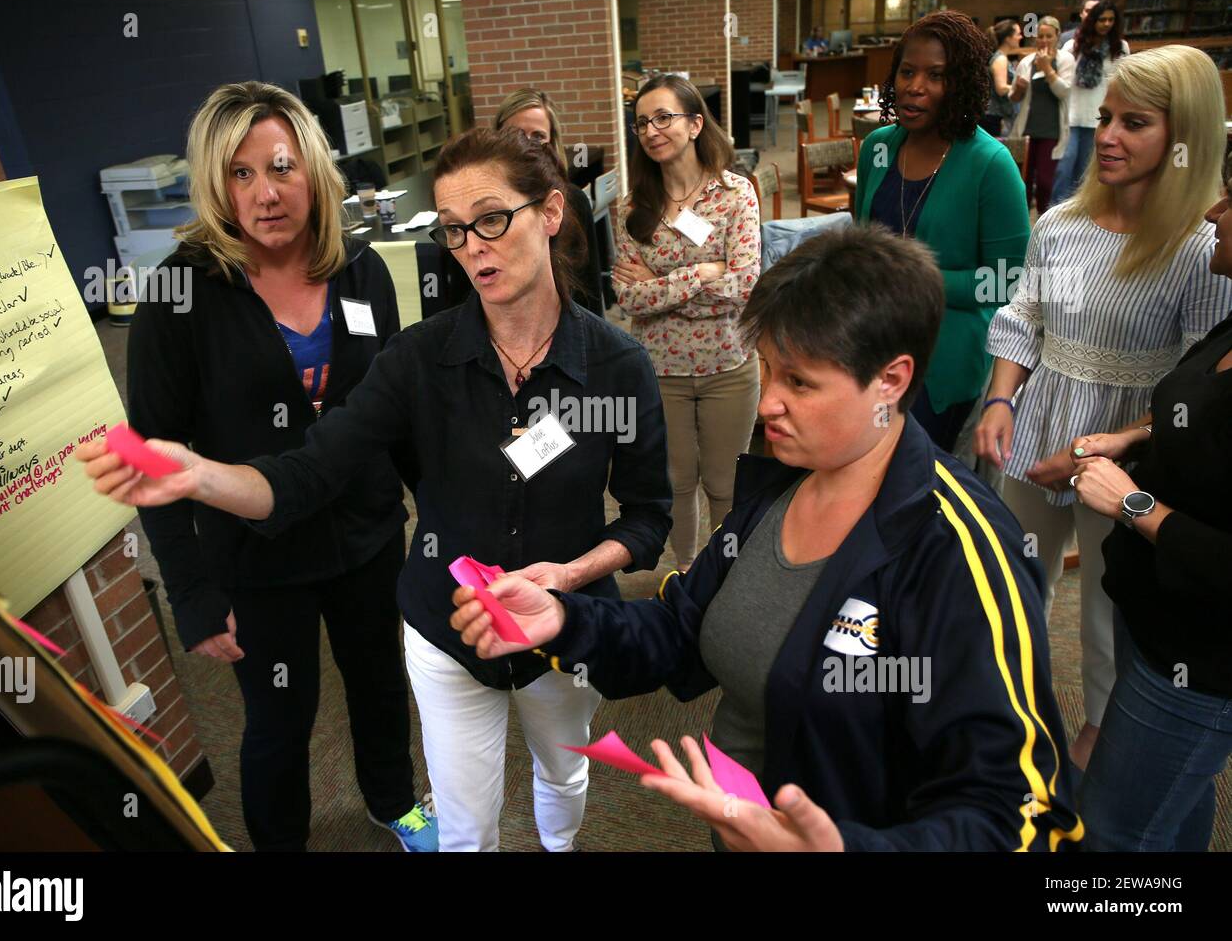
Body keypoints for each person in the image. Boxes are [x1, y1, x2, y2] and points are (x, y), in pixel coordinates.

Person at [77, 127, 673, 853]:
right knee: (465, 829)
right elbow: (307, 474)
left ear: (550, 213)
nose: (474, 246)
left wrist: (569, 577)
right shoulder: (418, 361)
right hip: (445, 628)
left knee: (563, 774)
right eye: (454, 231)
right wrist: (199, 475)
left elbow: (647, 519)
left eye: (492, 219)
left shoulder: (618, 366)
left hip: (564, 624)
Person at [449, 225, 1083, 852]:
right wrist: (562, 621)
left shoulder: (957, 552)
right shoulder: (779, 488)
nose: (768, 404)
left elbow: (1021, 816)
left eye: (800, 383)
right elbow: (680, 630)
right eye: (768, 371)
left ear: (890, 380)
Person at [128, 81, 434, 851]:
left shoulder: (360, 271)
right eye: (240, 174)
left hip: (364, 535)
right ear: (215, 183)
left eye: (281, 167)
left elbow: (394, 415)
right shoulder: (178, 294)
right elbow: (155, 461)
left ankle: (393, 801)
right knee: (279, 715)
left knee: (378, 682)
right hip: (256, 557)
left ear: (314, 171)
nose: (265, 194)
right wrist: (192, 591)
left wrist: (444, 521)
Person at [975, 45, 1232, 771]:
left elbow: (1199, 385)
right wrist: (1001, 397)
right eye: (1108, 117)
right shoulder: (1061, 221)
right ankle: (1002, 700)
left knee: (1104, 606)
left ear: (1184, 139)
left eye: (1136, 124)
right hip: (1040, 421)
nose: (1108, 136)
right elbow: (1025, 317)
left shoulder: (1200, 249)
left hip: (1131, 447)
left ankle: (1098, 735)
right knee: (1014, 573)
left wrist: (1106, 446)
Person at [1075, 155, 1232, 850]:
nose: (1214, 213)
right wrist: (1135, 437)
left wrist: (1134, 505)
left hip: (1203, 658)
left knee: (1110, 837)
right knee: (1174, 807)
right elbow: (1208, 414)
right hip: (1157, 621)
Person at [855, 10, 1029, 454]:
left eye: (937, 75)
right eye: (907, 71)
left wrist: (912, 279)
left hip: (943, 361)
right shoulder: (878, 147)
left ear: (962, 83)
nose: (915, 86)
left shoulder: (989, 165)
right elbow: (863, 241)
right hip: (871, 344)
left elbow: (1009, 282)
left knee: (918, 486)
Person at [615, 75, 761, 573]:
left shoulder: (735, 194)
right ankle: (686, 572)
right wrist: (703, 272)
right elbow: (628, 297)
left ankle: (725, 576)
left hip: (729, 364)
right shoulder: (634, 206)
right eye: (641, 122)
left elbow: (746, 286)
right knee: (676, 482)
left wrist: (665, 283)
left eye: (664, 117)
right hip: (661, 370)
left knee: (724, 484)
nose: (651, 130)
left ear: (696, 123)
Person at [494, 88, 604, 316]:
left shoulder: (573, 202)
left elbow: (589, 290)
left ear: (552, 142)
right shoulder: (484, 209)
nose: (526, 144)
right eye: (515, 133)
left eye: (538, 136)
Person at [1049, 1, 1129, 206]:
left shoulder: (1120, 47)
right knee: (1064, 167)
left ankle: (1081, 210)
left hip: (1100, 116)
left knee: (1087, 170)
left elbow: (1123, 80)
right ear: (1093, 20)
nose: (1107, 24)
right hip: (1072, 114)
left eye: (1111, 20)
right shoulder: (1072, 45)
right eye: (1102, 19)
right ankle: (1056, 210)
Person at [1010, 17, 1075, 214]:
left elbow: (1064, 91)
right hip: (1027, 130)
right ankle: (1021, 222)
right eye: (1040, 36)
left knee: (1046, 182)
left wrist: (1047, 69)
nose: (1044, 40)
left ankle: (1044, 221)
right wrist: (1018, 90)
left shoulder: (1066, 60)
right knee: (1023, 181)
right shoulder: (1027, 62)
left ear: (1057, 36)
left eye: (1049, 36)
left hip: (1052, 131)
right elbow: (1014, 97)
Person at [981, 19, 1021, 138]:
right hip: (994, 116)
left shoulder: (999, 57)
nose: (1020, 37)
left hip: (993, 115)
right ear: (1008, 38)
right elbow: (1001, 88)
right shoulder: (1000, 59)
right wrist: (1021, 87)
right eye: (1018, 34)